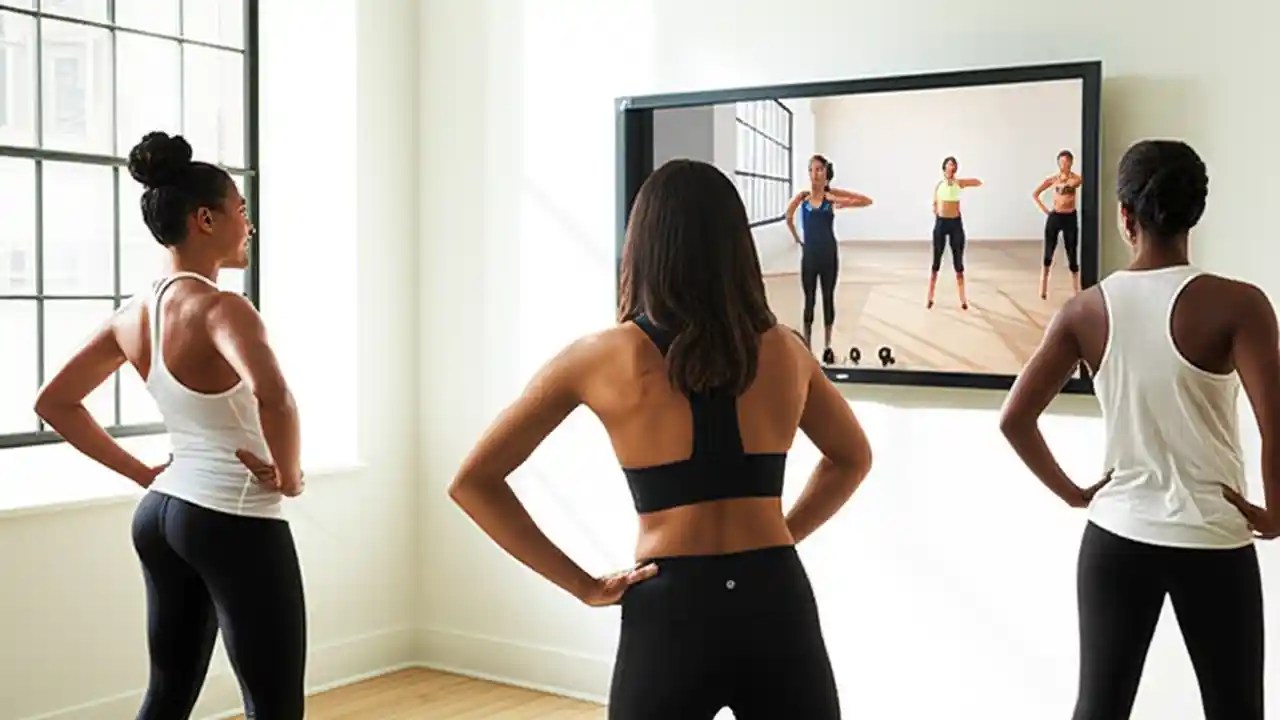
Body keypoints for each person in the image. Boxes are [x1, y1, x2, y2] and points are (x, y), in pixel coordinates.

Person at [449, 158, 873, 719]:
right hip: (775, 595)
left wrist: (583, 586)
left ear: (643, 245)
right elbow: (851, 458)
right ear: (735, 246)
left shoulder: (601, 356)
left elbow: (473, 482)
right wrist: (777, 536)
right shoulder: (787, 351)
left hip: (671, 604)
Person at [33, 131, 308, 719]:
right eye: (241, 210)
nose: (248, 224)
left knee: (168, 693)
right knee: (275, 706)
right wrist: (288, 476)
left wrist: (142, 474)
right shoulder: (221, 308)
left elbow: (55, 402)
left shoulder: (134, 313)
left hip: (162, 513)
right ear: (204, 219)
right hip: (230, 515)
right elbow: (275, 396)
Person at [998, 139, 1276, 720]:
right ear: (1195, 211)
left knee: (1099, 708)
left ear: (1125, 216)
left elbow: (1015, 419)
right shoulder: (1240, 304)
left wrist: (1075, 493)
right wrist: (1276, 513)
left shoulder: (1085, 310)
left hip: (1115, 537)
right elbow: (1276, 424)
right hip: (1213, 539)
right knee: (1237, 710)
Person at [784, 154, 873, 364]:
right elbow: (788, 217)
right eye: (811, 170)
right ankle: (806, 346)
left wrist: (834, 192)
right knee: (809, 300)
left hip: (829, 255)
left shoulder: (830, 199)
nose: (815, 174)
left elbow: (866, 201)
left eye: (819, 170)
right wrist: (799, 239)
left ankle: (827, 346)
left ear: (826, 173)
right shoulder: (802, 199)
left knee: (828, 298)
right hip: (810, 256)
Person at [928, 156, 982, 310]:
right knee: (936, 261)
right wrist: (937, 210)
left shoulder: (959, 184)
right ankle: (930, 296)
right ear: (944, 168)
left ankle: (963, 299)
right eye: (949, 165)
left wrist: (962, 182)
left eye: (954, 165)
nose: (951, 167)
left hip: (955, 224)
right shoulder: (939, 185)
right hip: (941, 223)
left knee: (958, 262)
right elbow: (934, 204)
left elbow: (977, 182)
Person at [1032, 150, 1084, 299]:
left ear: (1071, 163)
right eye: (1061, 162)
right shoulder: (1053, 179)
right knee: (1049, 251)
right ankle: (1043, 288)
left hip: (1070, 217)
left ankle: (1076, 290)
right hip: (1055, 216)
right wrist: (1045, 210)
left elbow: (1079, 182)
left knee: (1072, 252)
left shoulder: (1076, 179)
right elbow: (1035, 194)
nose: (1064, 165)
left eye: (1067, 162)